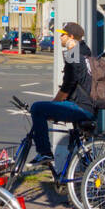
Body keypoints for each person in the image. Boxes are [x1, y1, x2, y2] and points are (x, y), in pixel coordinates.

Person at [27, 22, 96, 166]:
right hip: (86, 105)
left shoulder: (74, 53)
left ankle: (44, 152)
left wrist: (54, 103)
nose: (60, 37)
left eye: (62, 35)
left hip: (80, 106)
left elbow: (69, 83)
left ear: (71, 37)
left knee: (37, 109)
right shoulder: (85, 51)